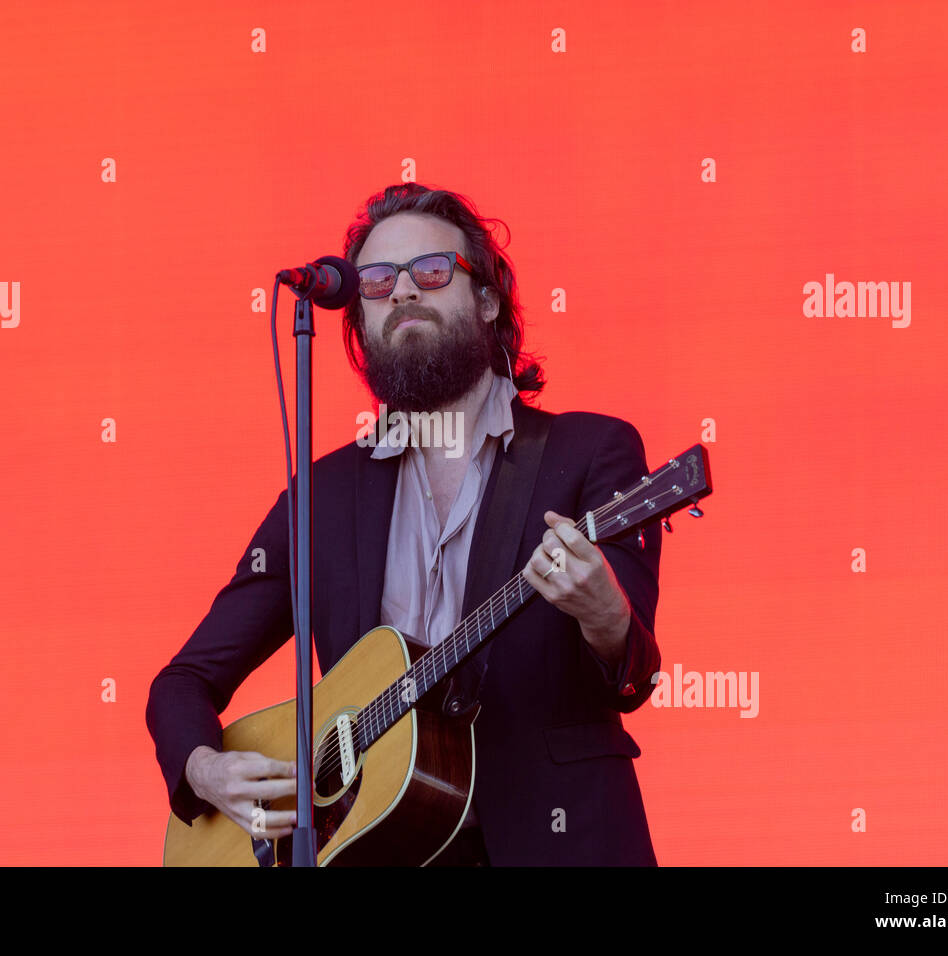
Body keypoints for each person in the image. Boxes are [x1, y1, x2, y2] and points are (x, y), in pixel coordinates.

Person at [146, 183, 663, 866]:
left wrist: (604, 615)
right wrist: (206, 771)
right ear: (358, 319)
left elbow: (630, 675)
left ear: (486, 299)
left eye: (432, 271)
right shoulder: (320, 497)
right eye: (378, 280)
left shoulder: (590, 454)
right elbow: (181, 683)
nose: (403, 292)